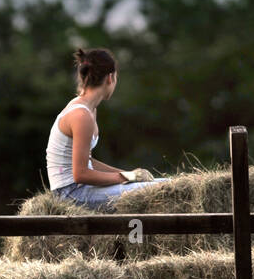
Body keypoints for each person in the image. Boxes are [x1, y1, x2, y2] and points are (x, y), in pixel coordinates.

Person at [45, 47, 165, 209]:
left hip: (79, 189)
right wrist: (126, 176)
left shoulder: (89, 110)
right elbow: (81, 174)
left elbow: (88, 162)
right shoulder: (81, 115)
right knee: (162, 192)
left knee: (168, 184)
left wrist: (130, 174)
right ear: (110, 78)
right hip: (70, 194)